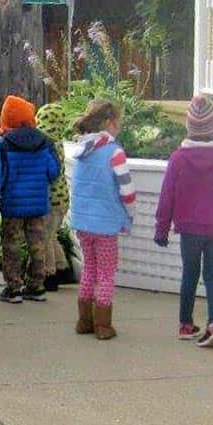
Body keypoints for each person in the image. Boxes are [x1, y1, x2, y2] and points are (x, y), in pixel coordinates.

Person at [154, 96, 213, 348]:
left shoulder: (179, 158)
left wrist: (162, 228)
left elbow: (167, 195)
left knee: (190, 274)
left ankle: (186, 325)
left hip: (189, 228)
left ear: (189, 126)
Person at [70, 99, 136, 340]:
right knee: (106, 274)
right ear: (109, 123)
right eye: (118, 123)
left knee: (89, 269)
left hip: (83, 223)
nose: (119, 128)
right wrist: (130, 213)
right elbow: (127, 191)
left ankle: (84, 321)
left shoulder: (83, 151)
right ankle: (103, 325)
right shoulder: (114, 152)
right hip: (106, 225)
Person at [0, 95, 59, 303]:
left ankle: (13, 288)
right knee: (37, 244)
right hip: (38, 204)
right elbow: (53, 171)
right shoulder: (45, 141)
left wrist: (1, 189)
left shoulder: (5, 143)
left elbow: (1, 174)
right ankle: (36, 286)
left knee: (11, 244)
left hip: (12, 203)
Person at [35, 102, 74, 290]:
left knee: (45, 237)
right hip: (62, 198)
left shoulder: (45, 144)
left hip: (50, 198)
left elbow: (47, 172)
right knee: (52, 235)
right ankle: (62, 267)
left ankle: (50, 274)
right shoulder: (58, 143)